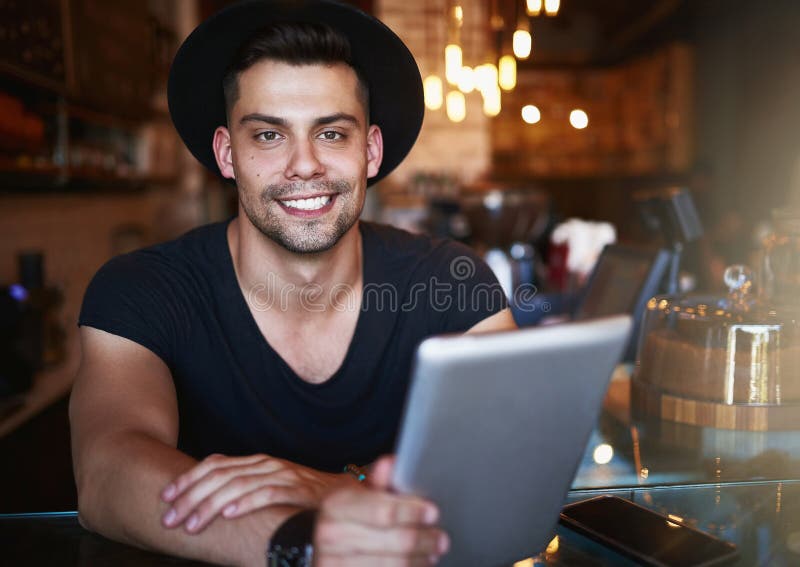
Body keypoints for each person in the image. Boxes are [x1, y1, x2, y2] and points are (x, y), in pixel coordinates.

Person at [69, 1, 516, 565]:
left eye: (331, 134)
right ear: (228, 154)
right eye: (269, 137)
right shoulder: (142, 288)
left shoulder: (454, 283)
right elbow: (107, 474)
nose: (304, 165)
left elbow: (507, 469)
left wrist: (321, 486)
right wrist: (306, 543)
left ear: (369, 151)